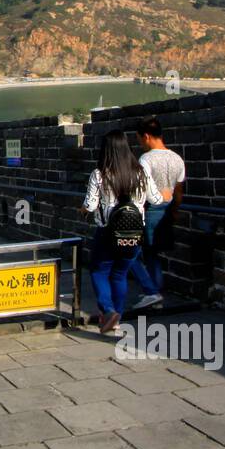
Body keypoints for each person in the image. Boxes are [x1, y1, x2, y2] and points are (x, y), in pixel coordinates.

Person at [81, 130, 164, 335]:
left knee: (99, 271)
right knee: (120, 274)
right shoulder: (141, 172)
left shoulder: (100, 174)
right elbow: (157, 200)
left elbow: (90, 206)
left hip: (107, 233)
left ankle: (108, 311)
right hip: (134, 234)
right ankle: (117, 316)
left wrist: (82, 209)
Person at [130, 117, 186, 308]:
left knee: (130, 252)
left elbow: (141, 190)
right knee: (153, 254)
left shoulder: (146, 159)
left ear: (146, 136)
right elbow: (179, 191)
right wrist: (174, 212)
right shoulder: (177, 158)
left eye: (139, 139)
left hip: (149, 209)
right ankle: (155, 296)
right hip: (167, 209)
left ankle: (151, 291)